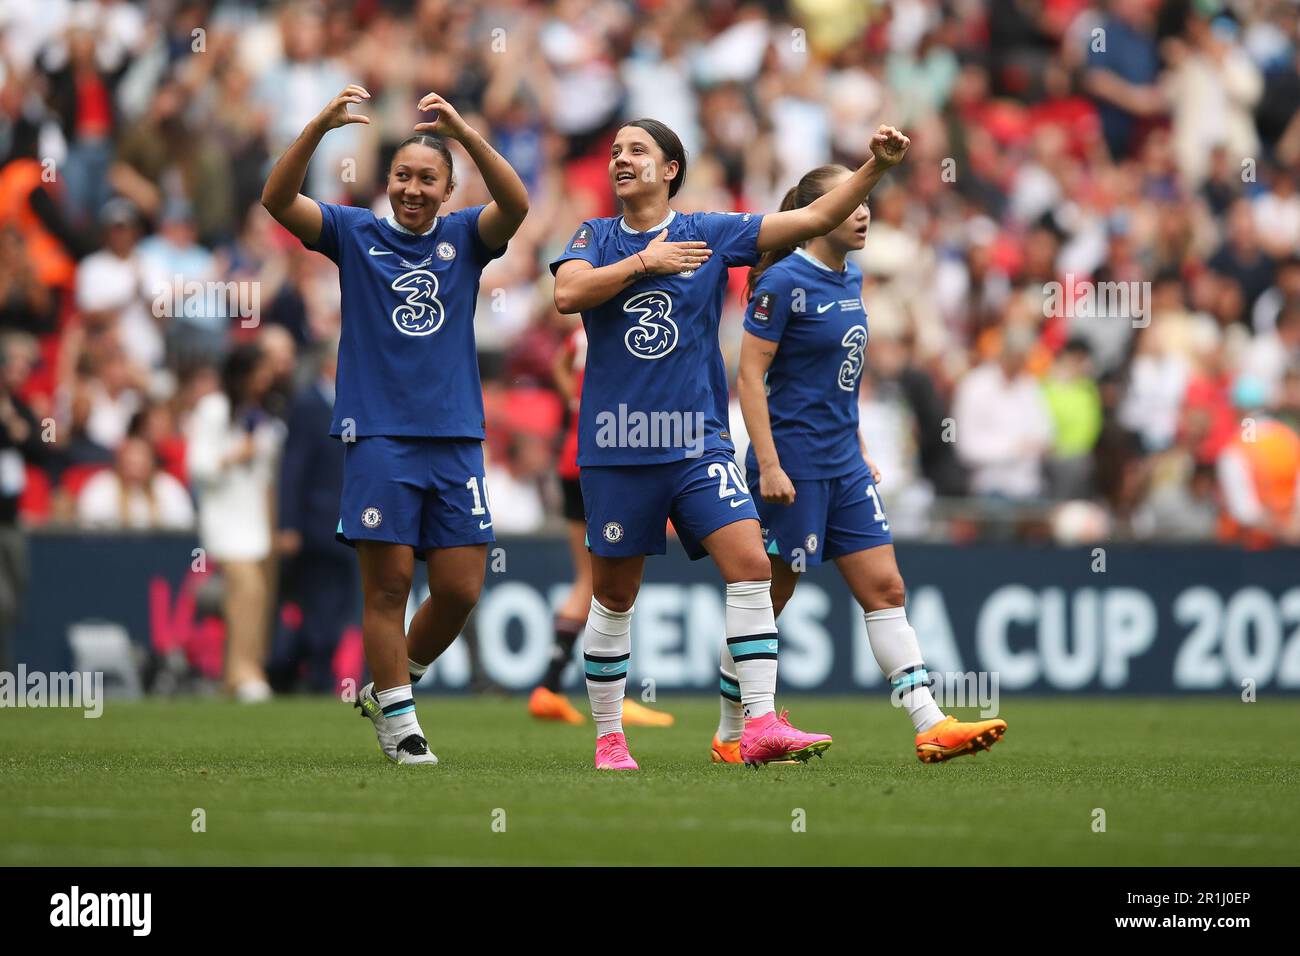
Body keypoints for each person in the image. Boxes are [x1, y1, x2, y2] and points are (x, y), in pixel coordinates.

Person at [551, 118, 910, 769]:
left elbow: (806, 221)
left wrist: (874, 169)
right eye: (615, 151)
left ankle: (760, 724)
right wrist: (644, 262)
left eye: (637, 150)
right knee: (615, 596)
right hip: (617, 445)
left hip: (697, 446)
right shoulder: (595, 236)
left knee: (750, 564)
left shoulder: (710, 232)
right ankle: (608, 737)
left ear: (670, 170)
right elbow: (567, 293)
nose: (621, 159)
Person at [261, 86, 528, 765]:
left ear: (447, 189)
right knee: (387, 588)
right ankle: (401, 726)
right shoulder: (355, 234)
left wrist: (465, 132)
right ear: (387, 182)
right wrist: (318, 126)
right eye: (404, 176)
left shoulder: (467, 237)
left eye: (427, 179)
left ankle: (392, 681)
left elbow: (518, 205)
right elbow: (276, 200)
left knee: (462, 589)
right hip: (378, 434)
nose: (413, 188)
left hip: (457, 436)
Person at [734, 164, 1008, 765]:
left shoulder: (851, 277)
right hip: (794, 462)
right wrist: (771, 465)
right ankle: (735, 730)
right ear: (816, 212)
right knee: (769, 599)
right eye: (850, 200)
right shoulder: (782, 282)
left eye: (867, 201)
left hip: (843, 462)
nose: (863, 212)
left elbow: (843, 377)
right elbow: (750, 376)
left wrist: (857, 446)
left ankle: (929, 722)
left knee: (886, 587)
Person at [527, 320, 674, 728]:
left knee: (590, 580)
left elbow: (560, 363)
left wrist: (576, 402)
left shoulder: (581, 333)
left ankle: (551, 687)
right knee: (611, 580)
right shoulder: (627, 328)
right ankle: (600, 692)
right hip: (608, 458)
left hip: (574, 456)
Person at [186, 342, 284, 702]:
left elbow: (268, 472)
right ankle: (244, 672)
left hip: (258, 518)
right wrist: (232, 457)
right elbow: (197, 466)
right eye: (258, 372)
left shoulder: (266, 413)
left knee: (259, 596)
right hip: (225, 519)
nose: (264, 380)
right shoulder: (213, 409)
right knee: (248, 589)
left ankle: (240, 670)